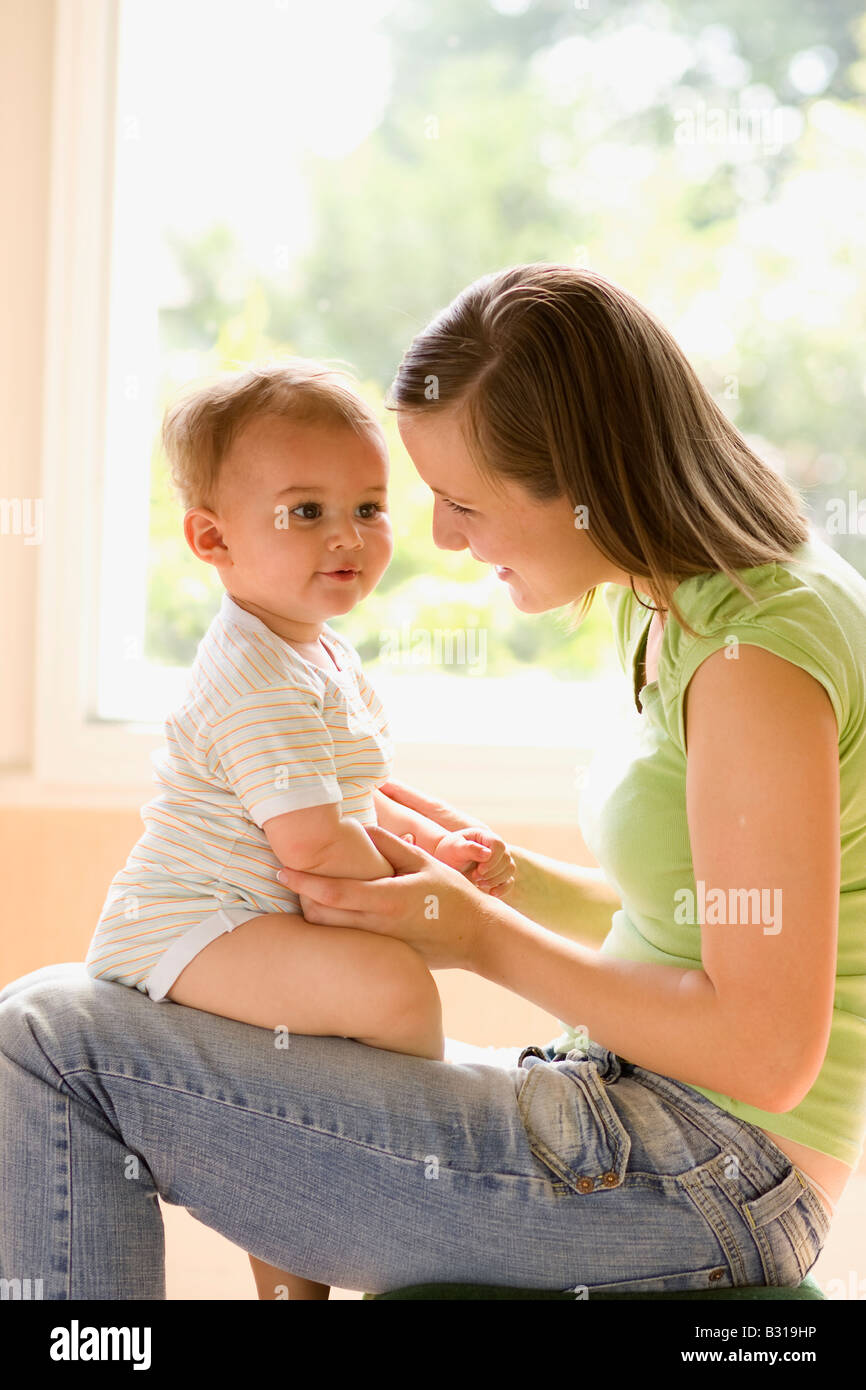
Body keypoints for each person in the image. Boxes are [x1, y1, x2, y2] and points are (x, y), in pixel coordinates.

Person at [1, 263, 863, 1300]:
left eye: (459, 502)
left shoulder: (754, 657)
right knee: (56, 1017)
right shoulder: (691, 605)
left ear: (586, 482)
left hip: (695, 1174)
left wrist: (476, 936)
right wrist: (501, 882)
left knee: (46, 1041)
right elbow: (701, 926)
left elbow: (764, 1048)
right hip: (643, 1127)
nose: (440, 536)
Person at [83, 358, 515, 1301]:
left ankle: (320, 1251)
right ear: (211, 539)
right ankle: (393, 1197)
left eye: (368, 507)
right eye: (306, 511)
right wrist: (424, 911)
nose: (348, 537)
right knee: (391, 990)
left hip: (243, 920)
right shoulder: (254, 675)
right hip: (191, 927)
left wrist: (434, 854)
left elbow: (350, 797)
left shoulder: (313, 649)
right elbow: (315, 850)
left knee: (318, 1071)